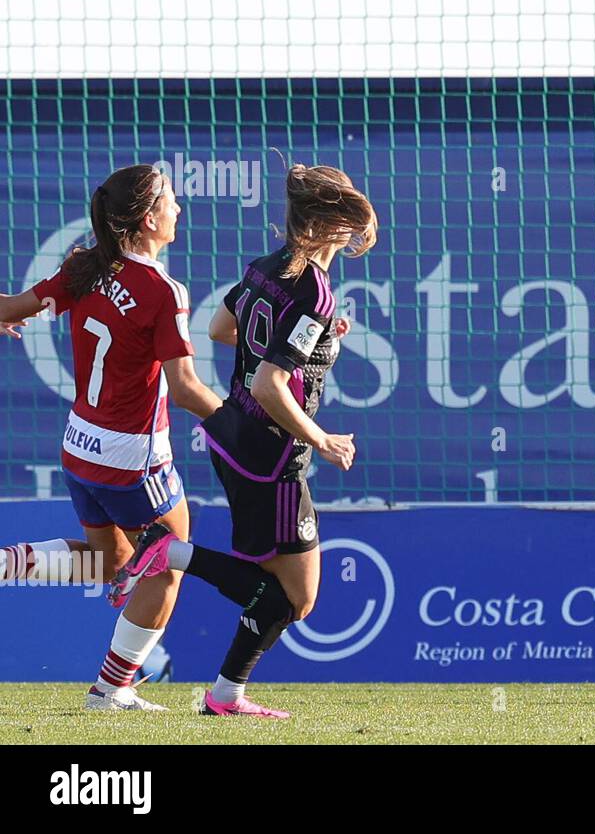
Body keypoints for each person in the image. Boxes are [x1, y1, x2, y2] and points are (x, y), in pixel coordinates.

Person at [112, 163, 377, 718]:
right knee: (296, 599)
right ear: (333, 224)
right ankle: (173, 555)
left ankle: (225, 691)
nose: (357, 232)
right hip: (272, 455)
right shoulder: (315, 291)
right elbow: (270, 382)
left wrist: (317, 337)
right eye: (352, 220)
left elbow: (220, 328)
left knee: (275, 592)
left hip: (233, 437)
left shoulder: (269, 267)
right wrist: (321, 437)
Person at [0, 164, 222, 710]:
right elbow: (186, 387)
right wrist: (249, 427)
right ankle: (111, 688)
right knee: (167, 567)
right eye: (171, 201)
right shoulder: (161, 290)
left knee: (110, 563)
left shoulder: (86, 267)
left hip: (79, 448)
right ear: (149, 219)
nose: (178, 209)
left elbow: (10, 309)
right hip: (133, 461)